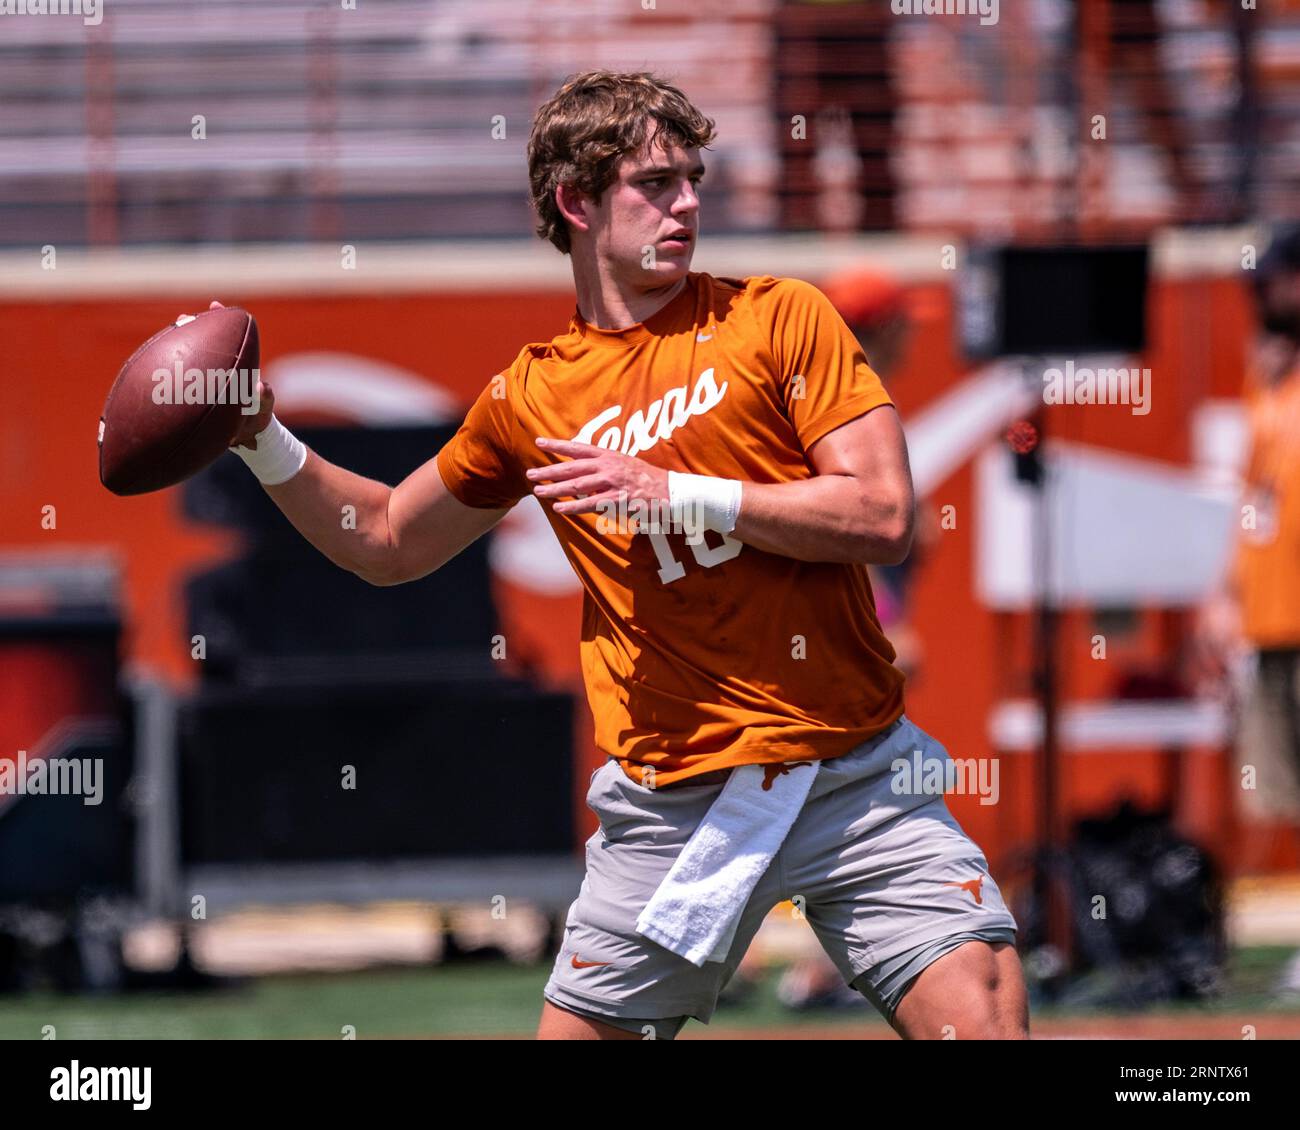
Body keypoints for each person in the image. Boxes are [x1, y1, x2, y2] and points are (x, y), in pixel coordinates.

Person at [221, 70, 1028, 1040]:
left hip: (851, 772)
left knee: (982, 1017)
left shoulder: (779, 317)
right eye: (655, 181)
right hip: (673, 801)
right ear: (576, 201)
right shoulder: (531, 396)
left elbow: (882, 512)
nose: (687, 200)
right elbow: (391, 539)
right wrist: (261, 437)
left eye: (693, 177)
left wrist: (670, 491)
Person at [1196, 224, 1300, 994]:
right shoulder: (1266, 375)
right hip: (1271, 617)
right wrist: (1225, 591)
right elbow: (1255, 500)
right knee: (1285, 793)